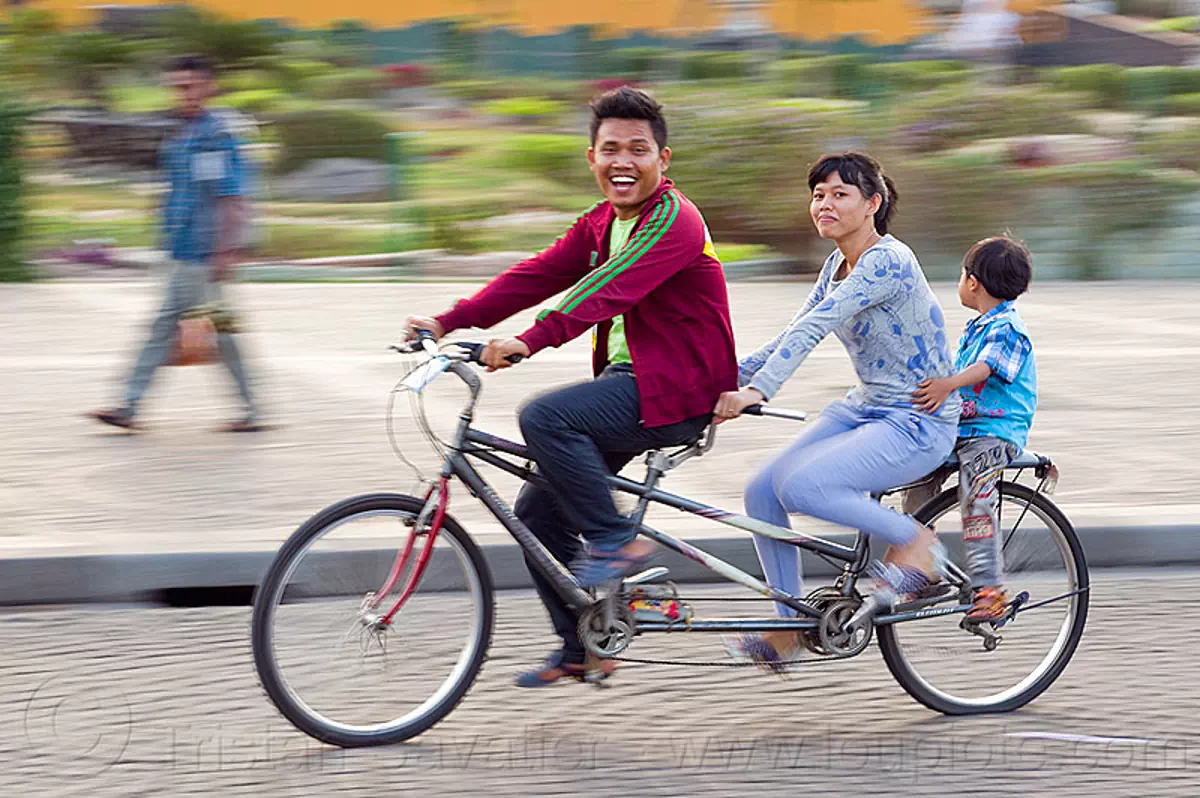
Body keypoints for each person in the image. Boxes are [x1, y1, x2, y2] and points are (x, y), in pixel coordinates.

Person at [403, 87, 737, 686]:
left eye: (638, 149)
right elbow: (537, 274)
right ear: (592, 158)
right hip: (632, 385)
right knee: (536, 512)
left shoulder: (675, 219)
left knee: (547, 417)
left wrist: (529, 340)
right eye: (610, 149)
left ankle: (615, 540)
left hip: (679, 390)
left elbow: (607, 288)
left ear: (663, 160)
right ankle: (582, 648)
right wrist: (448, 321)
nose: (622, 161)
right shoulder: (603, 221)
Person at [712, 152, 961, 667]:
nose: (824, 204)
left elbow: (816, 326)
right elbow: (791, 331)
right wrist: (715, 382)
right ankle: (788, 626)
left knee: (804, 487)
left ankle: (918, 543)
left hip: (917, 420)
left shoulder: (889, 261)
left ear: (872, 204)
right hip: (866, 407)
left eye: (839, 194)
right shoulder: (837, 265)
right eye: (818, 195)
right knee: (762, 490)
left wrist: (761, 391)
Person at [89, 54, 262, 433]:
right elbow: (178, 189)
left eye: (189, 86)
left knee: (207, 331)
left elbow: (232, 197)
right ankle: (131, 406)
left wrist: (227, 251)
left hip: (204, 255)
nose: (182, 94)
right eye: (176, 87)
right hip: (182, 251)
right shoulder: (182, 132)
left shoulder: (216, 136)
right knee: (203, 330)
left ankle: (130, 406)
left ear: (209, 87)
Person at [903, 235, 1037, 622]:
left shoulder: (1008, 327)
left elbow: (986, 368)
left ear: (973, 282)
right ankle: (923, 566)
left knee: (977, 500)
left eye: (962, 276)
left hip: (994, 433)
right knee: (916, 477)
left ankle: (990, 591)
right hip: (962, 428)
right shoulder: (979, 326)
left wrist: (947, 384)